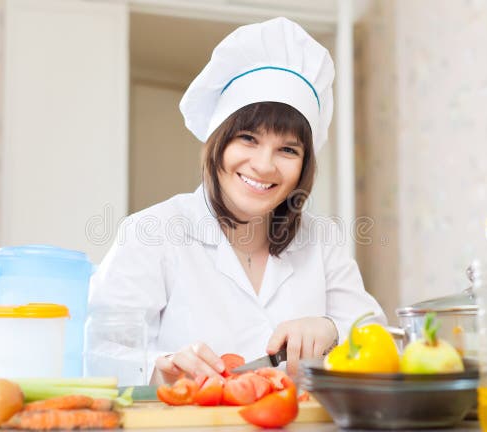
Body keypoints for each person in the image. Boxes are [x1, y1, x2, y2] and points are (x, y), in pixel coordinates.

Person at [87, 17, 385, 385]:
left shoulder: (321, 240)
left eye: (288, 149)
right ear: (218, 141)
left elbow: (380, 337)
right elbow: (101, 357)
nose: (263, 165)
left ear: (305, 165)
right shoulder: (151, 232)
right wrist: (161, 365)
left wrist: (331, 329)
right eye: (247, 138)